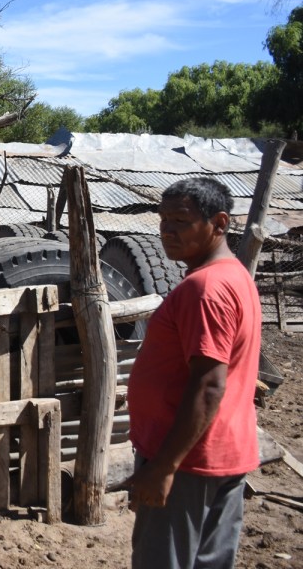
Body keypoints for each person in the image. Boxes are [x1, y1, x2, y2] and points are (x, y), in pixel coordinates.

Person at [127, 176, 262, 569]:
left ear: (219, 224)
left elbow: (208, 385)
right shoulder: (235, 276)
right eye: (163, 219)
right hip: (221, 453)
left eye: (180, 221)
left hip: (187, 462)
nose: (167, 230)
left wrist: (164, 467)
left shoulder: (206, 289)